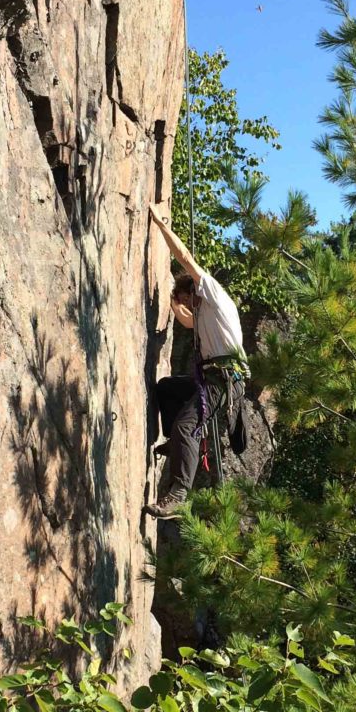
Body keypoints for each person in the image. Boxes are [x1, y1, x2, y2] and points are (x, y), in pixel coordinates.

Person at [145, 202, 248, 519]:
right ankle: (179, 442)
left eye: (187, 298)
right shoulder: (208, 313)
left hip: (223, 381)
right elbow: (187, 321)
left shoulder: (213, 292)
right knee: (166, 388)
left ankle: (177, 495)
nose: (188, 304)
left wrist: (161, 227)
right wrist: (173, 305)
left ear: (194, 291)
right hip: (213, 378)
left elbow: (186, 259)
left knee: (186, 426)